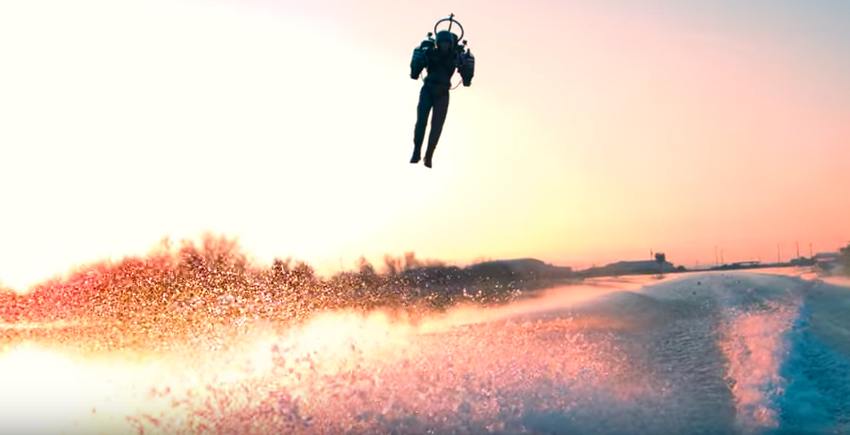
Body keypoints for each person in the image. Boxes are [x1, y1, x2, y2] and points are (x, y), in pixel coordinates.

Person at [409, 30, 474, 168]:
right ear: (438, 43)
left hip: (443, 93)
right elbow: (417, 67)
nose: (444, 46)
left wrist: (465, 69)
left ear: (450, 44)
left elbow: (466, 75)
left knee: (437, 126)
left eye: (446, 43)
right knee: (421, 122)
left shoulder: (456, 56)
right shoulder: (430, 52)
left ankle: (429, 155)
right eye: (442, 43)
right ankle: (416, 151)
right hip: (428, 90)